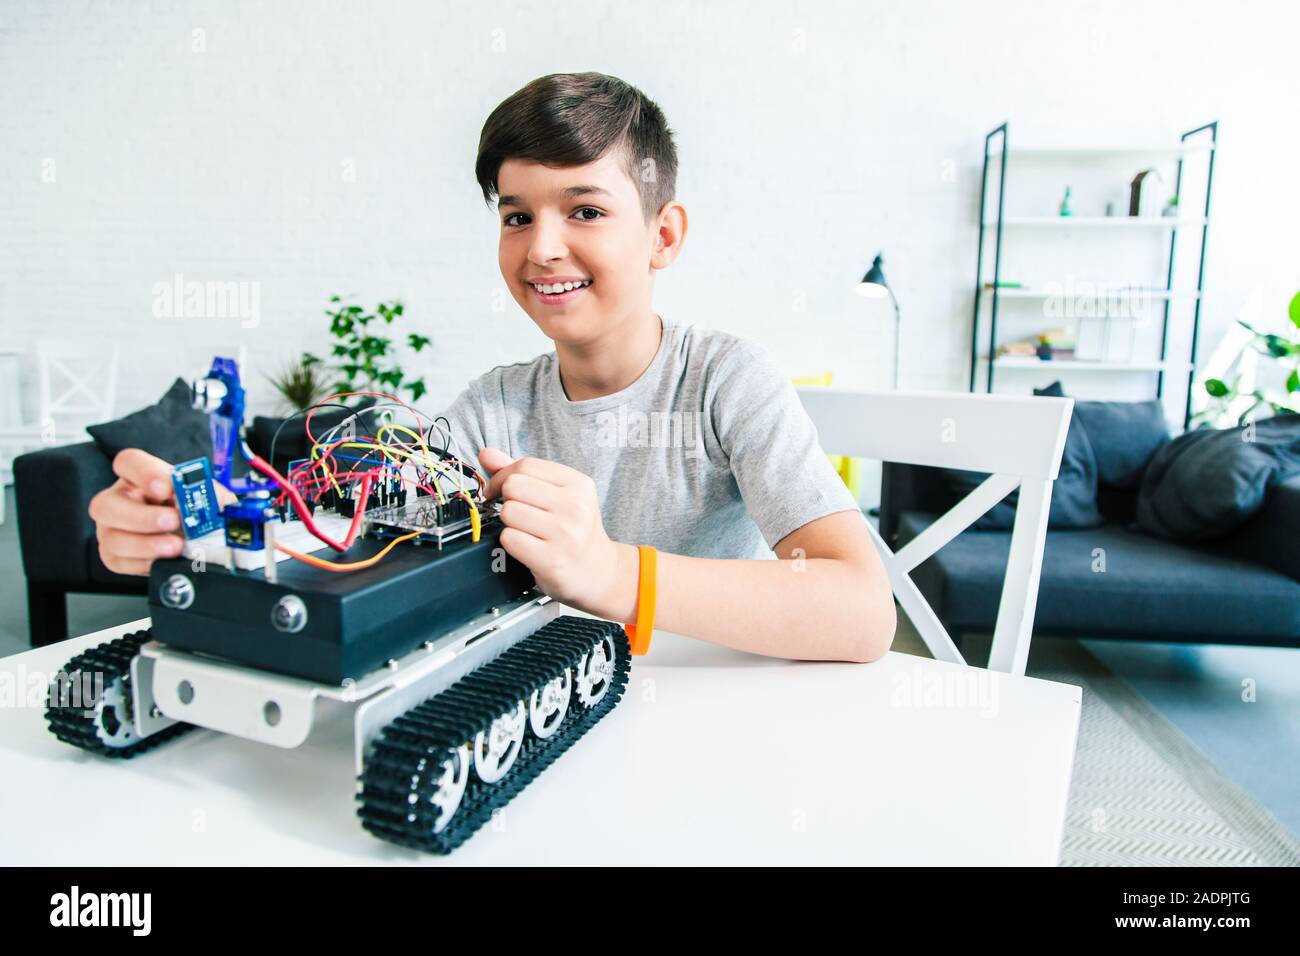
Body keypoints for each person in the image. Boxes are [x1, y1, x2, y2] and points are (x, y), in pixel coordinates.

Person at [90, 72, 895, 663]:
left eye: (584, 210)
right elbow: (363, 542)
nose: (543, 246)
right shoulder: (495, 408)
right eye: (517, 216)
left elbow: (861, 612)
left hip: (709, 720)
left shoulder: (726, 380)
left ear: (663, 236)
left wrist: (611, 571)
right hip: (542, 717)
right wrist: (200, 528)